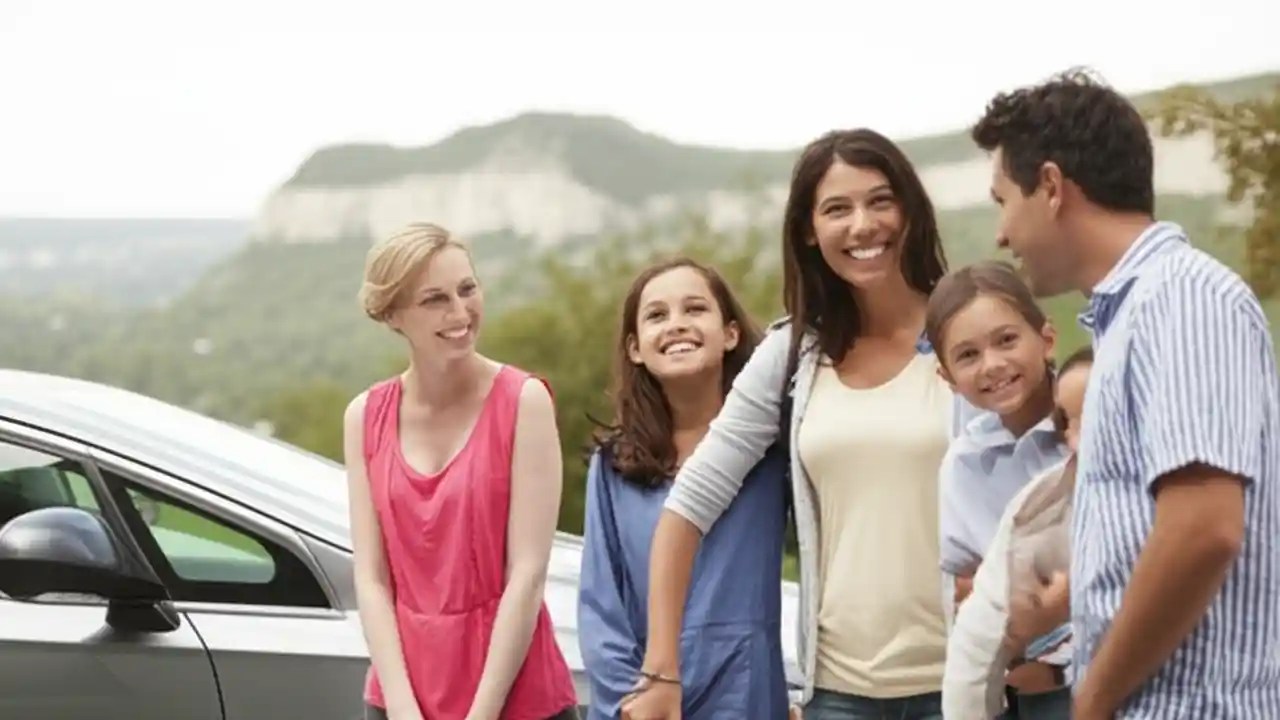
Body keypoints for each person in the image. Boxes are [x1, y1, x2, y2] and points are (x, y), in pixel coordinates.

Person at [623, 128, 963, 720]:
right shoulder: (792, 355)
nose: (862, 225)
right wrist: (660, 673)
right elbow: (688, 505)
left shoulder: (968, 329)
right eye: (837, 208)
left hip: (969, 684)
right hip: (839, 695)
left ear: (909, 209)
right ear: (810, 230)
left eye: (880, 200)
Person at [972, 70, 1280, 718]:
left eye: (1003, 201)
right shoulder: (1134, 318)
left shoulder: (1183, 297)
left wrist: (1094, 703)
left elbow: (1204, 528)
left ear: (1051, 187)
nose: (1001, 234)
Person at [344, 222, 579, 720]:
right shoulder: (364, 416)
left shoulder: (524, 403)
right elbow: (371, 578)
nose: (461, 312)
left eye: (468, 289)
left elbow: (528, 574)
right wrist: (403, 710)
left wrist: (481, 714)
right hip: (401, 699)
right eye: (435, 299)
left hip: (517, 698)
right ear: (392, 315)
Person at [578, 258, 790, 719]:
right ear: (635, 349)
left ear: (730, 333)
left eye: (695, 309)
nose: (676, 325)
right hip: (641, 702)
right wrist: (631, 706)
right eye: (657, 315)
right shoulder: (614, 466)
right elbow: (601, 608)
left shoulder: (772, 456)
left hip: (747, 699)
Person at [924, 260, 1073, 718]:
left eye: (1007, 340)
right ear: (947, 377)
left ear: (1047, 339)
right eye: (967, 355)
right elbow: (968, 590)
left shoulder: (1089, 431)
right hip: (1025, 696)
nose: (992, 365)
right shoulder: (965, 466)